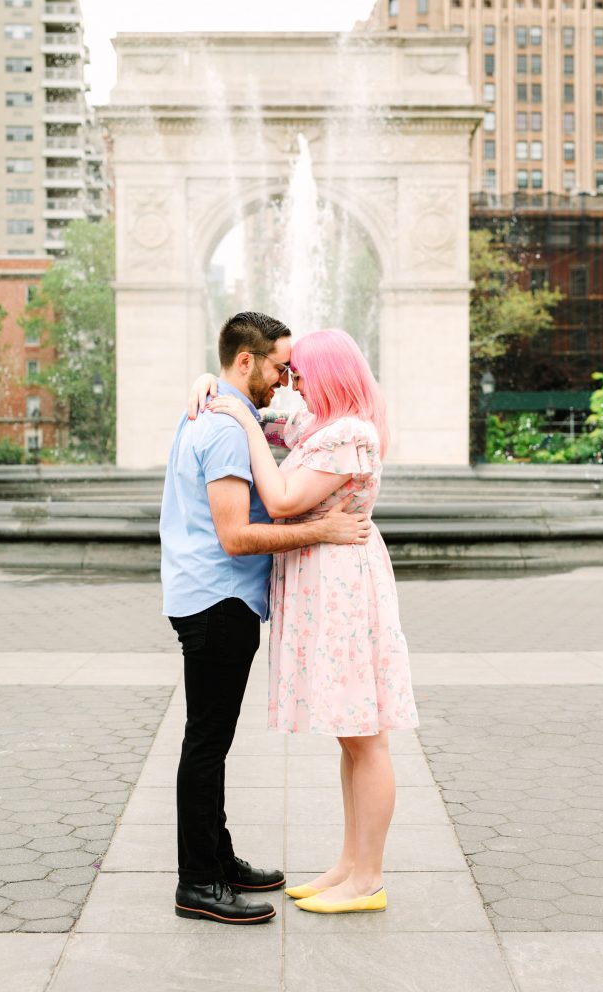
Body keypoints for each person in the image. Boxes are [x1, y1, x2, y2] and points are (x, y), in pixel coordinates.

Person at [161, 312, 371, 926]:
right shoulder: (226, 428)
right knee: (206, 743)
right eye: (279, 366)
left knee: (212, 741)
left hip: (209, 597)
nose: (285, 380)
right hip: (217, 599)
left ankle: (218, 861)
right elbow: (234, 535)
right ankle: (198, 882)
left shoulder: (221, 410)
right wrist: (323, 529)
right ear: (246, 362)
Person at [205, 327, 419, 915]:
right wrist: (213, 384)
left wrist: (246, 425)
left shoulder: (348, 433)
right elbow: (260, 411)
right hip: (330, 581)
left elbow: (280, 502)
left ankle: (367, 878)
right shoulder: (326, 428)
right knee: (351, 737)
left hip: (342, 586)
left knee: (365, 737)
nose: (290, 382)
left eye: (299, 373)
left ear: (324, 376)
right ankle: (350, 865)